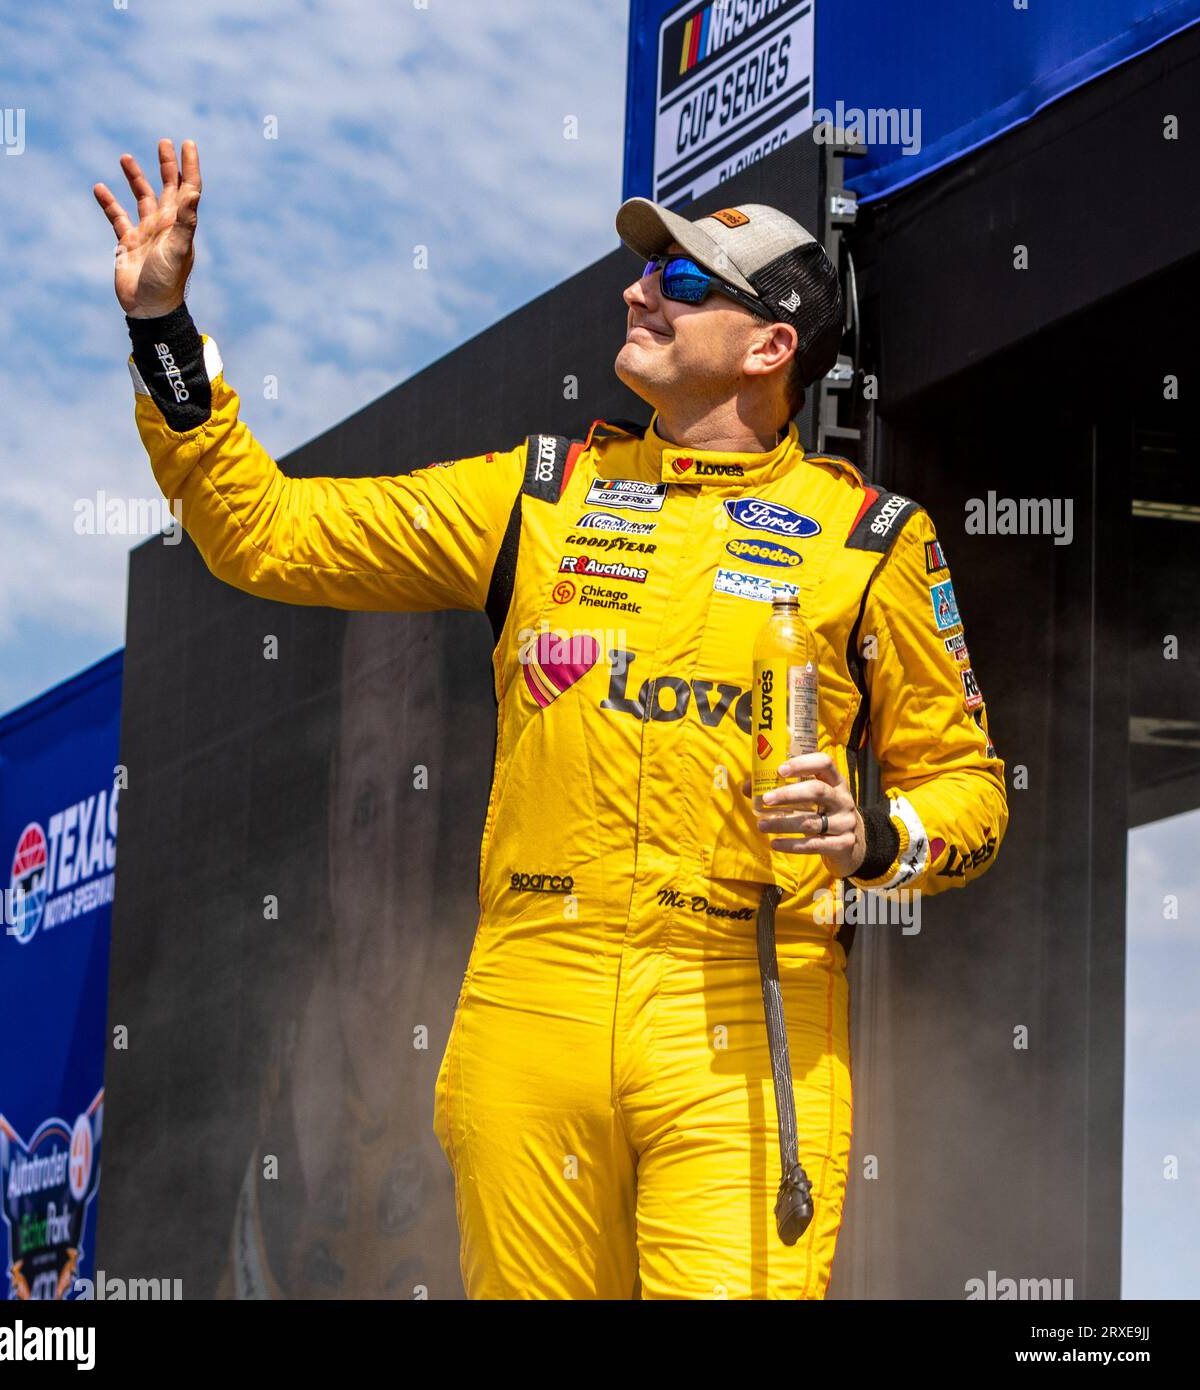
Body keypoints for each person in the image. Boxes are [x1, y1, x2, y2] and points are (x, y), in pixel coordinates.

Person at [94, 139, 1009, 1299]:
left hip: (740, 1002)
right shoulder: (538, 493)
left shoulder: (872, 539)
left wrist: (874, 838)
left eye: (682, 283)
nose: (637, 290)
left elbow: (971, 792)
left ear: (772, 345)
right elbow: (263, 531)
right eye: (641, 272)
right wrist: (164, 329)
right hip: (532, 991)